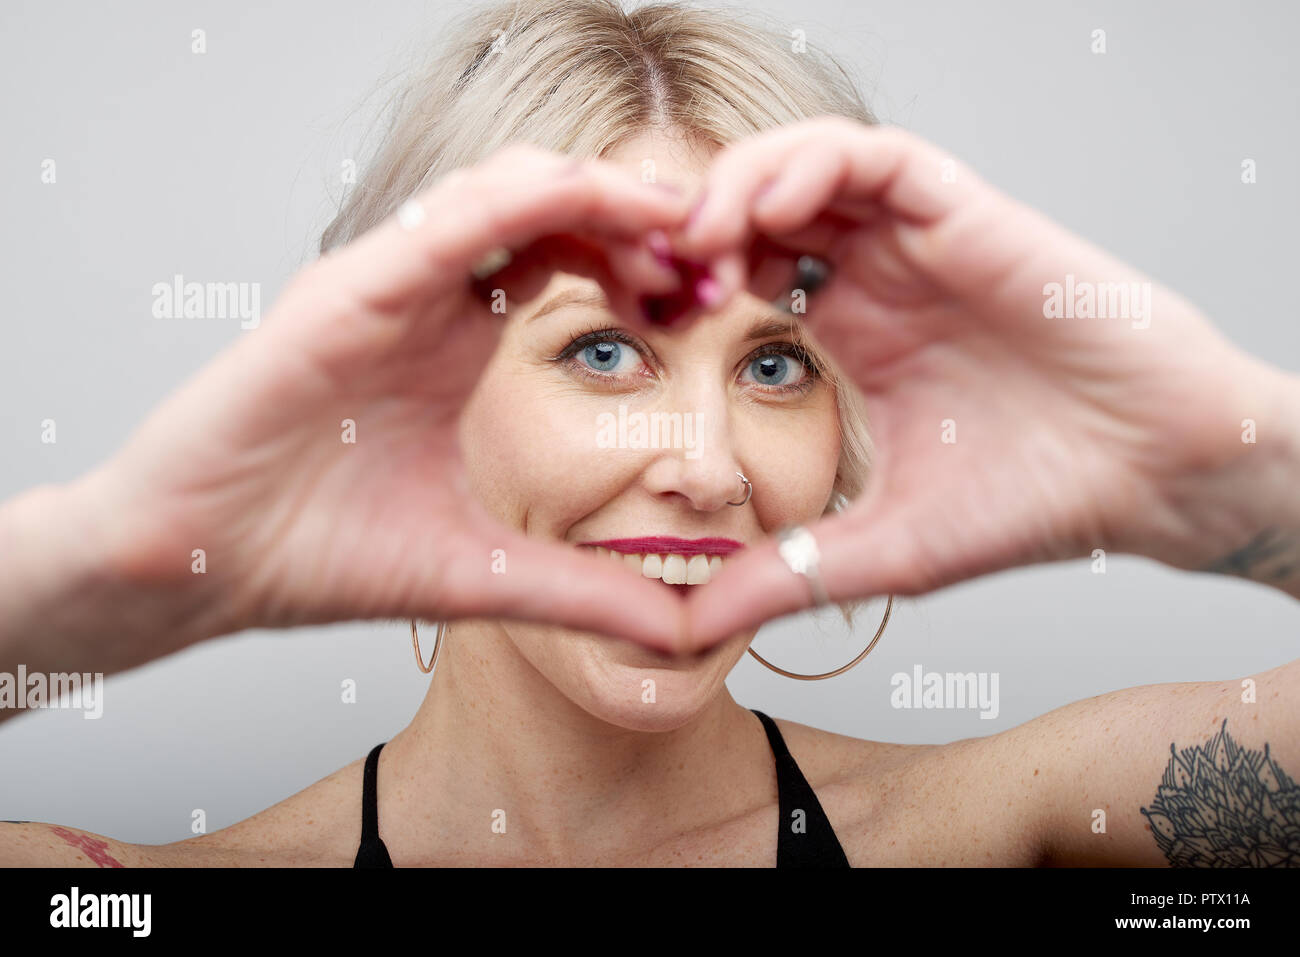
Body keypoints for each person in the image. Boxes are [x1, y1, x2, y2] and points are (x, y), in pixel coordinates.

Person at [2, 0, 1297, 868]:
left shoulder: (1004, 828)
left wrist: (1234, 477)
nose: (710, 462)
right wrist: (121, 561)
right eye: (604, 349)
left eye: (778, 363)